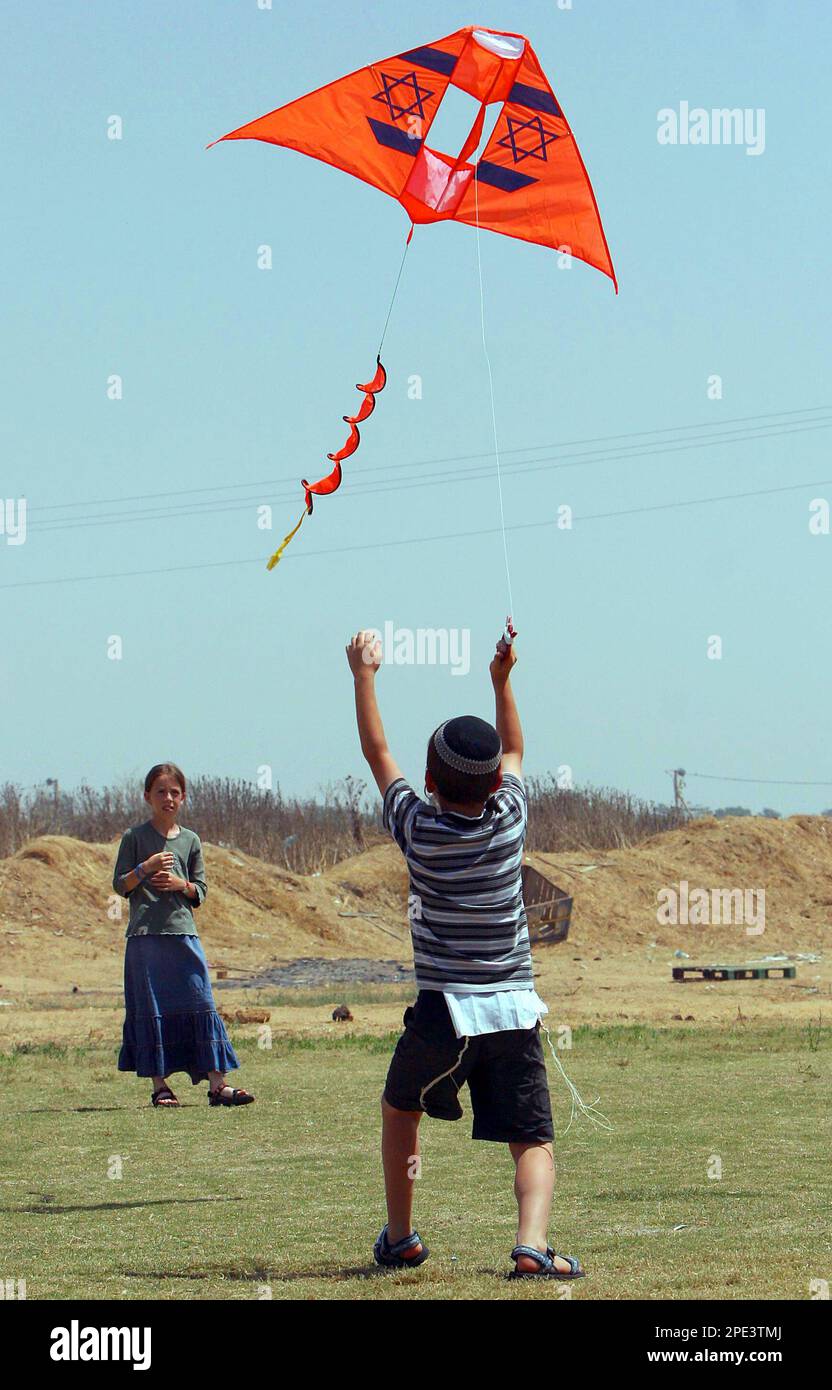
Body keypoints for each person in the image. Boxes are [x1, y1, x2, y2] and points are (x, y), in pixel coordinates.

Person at [345, 626, 584, 1280]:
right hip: (512, 1011)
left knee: (402, 1109)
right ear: (490, 785)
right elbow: (515, 746)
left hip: (443, 1012)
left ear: (428, 780)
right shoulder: (509, 819)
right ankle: (531, 1244)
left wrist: (364, 674)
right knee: (531, 1137)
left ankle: (400, 1237)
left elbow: (377, 750)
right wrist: (502, 680)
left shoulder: (417, 828)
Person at [113, 762, 255, 1109]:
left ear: (184, 797)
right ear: (147, 796)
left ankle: (218, 1086)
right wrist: (144, 869)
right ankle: (160, 1087)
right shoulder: (134, 838)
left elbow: (201, 890)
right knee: (151, 1010)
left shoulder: (191, 840)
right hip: (145, 940)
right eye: (160, 791)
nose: (168, 798)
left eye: (174, 792)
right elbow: (120, 885)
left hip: (183, 936)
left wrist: (181, 884)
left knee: (201, 1003)